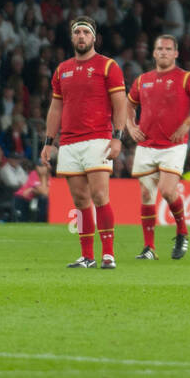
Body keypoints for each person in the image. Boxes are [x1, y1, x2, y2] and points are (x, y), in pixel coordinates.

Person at [40, 17, 128, 269]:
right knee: (80, 200)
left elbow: (120, 102)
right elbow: (55, 108)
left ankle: (108, 254)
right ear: (72, 38)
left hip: (98, 139)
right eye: (76, 32)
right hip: (68, 142)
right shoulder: (62, 69)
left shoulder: (108, 66)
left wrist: (117, 136)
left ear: (94, 37)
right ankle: (87, 256)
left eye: (85, 32)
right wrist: (49, 141)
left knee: (100, 195)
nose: (80, 36)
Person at [126, 34, 190, 260]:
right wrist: (130, 125)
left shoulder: (187, 78)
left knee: (166, 190)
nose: (163, 52)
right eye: (160, 49)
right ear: (154, 53)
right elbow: (127, 104)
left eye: (168, 49)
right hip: (146, 144)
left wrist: (188, 122)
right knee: (146, 194)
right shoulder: (142, 79)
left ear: (176, 53)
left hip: (173, 144)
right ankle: (149, 248)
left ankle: (182, 231)